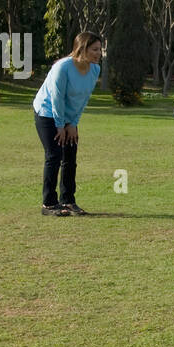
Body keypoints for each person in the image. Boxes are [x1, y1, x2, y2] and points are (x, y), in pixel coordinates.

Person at [32, 32, 104, 216]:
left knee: (70, 158)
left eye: (100, 49)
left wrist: (73, 123)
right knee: (54, 155)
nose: (99, 53)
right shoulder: (62, 67)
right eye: (95, 49)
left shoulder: (95, 69)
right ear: (82, 48)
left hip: (69, 118)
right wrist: (59, 126)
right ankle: (48, 204)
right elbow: (57, 98)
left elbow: (83, 99)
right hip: (48, 112)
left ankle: (68, 201)